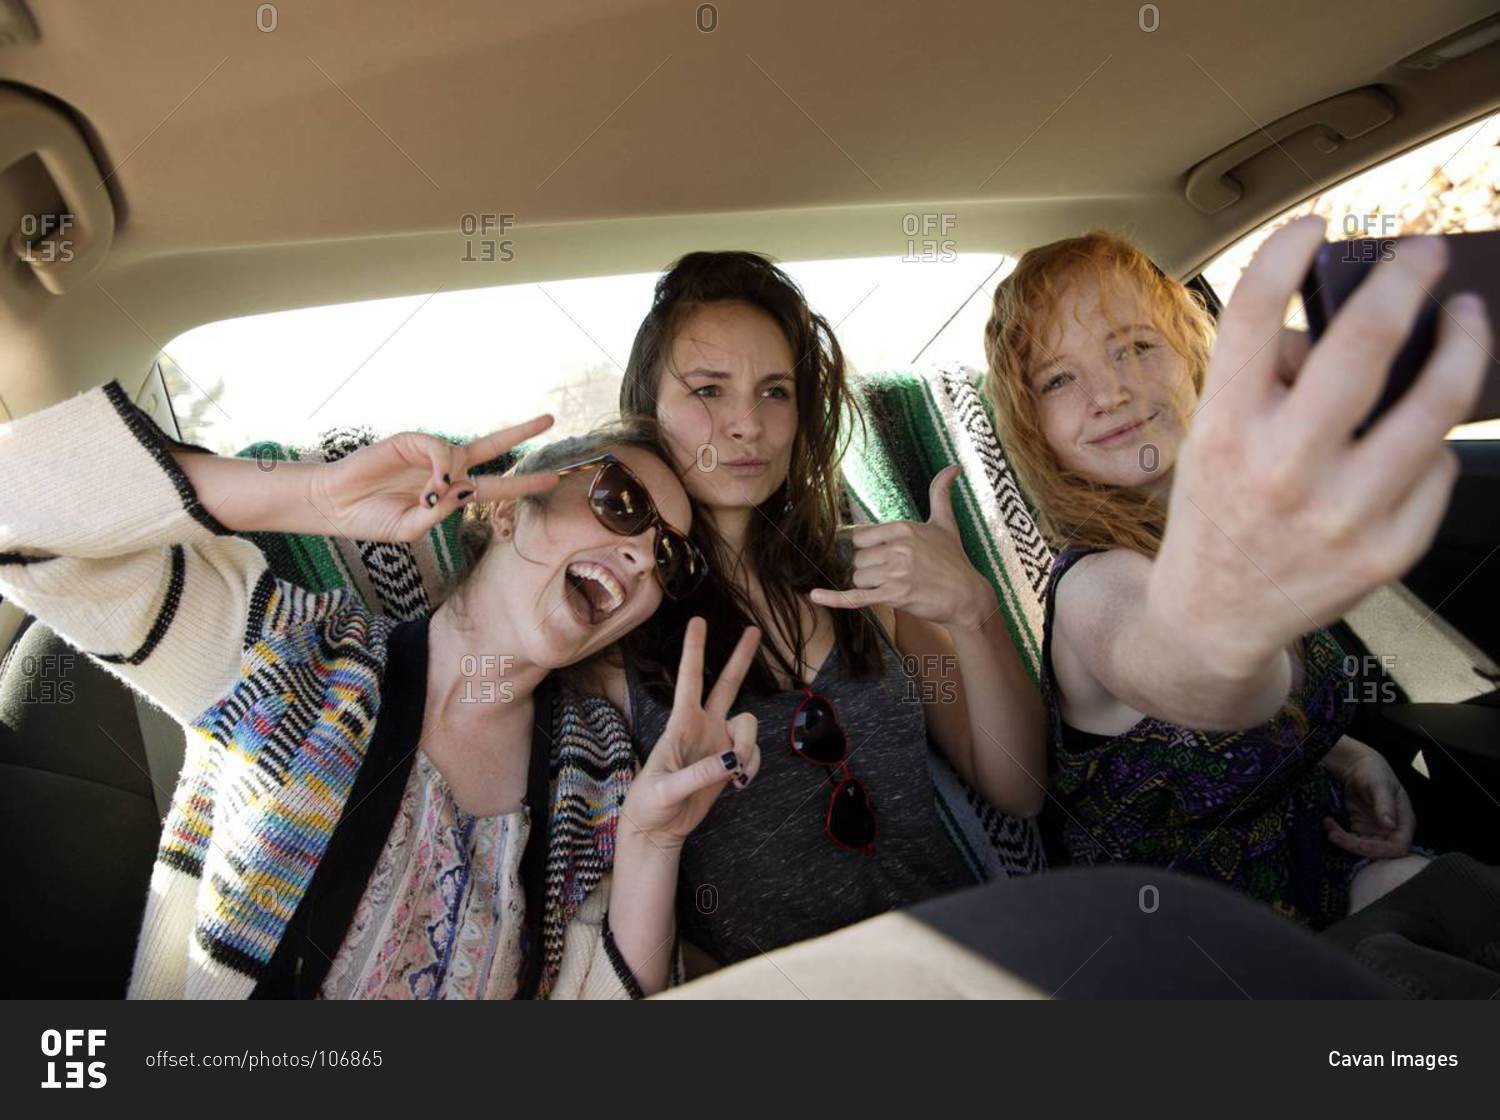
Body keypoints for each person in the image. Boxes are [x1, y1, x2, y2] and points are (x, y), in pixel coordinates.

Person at [0, 380, 763, 997]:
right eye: (621, 503)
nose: (638, 555)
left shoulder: (598, 775)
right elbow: (17, 514)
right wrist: (313, 498)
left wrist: (654, 840)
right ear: (502, 508)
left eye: (670, 559)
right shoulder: (295, 655)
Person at [980, 218, 1489, 926]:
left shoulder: (1214, 522)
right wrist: (1232, 622)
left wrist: (1347, 757)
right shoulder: (1095, 587)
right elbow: (1192, 669)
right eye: (1059, 378)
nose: (1110, 392)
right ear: (1033, 426)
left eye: (1134, 346)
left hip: (1330, 869)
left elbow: (1256, 725)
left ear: (1192, 355)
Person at [607, 251, 1048, 966]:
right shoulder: (615, 623)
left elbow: (1019, 789)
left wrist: (975, 611)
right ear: (648, 408)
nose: (749, 424)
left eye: (775, 391)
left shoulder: (876, 574)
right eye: (710, 390)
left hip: (963, 965)